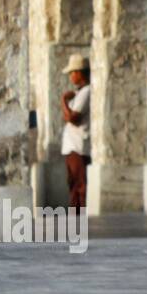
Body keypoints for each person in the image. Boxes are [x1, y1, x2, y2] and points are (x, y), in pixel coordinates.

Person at [59, 54, 91, 210]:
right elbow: (67, 116)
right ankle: (75, 217)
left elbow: (72, 118)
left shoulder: (86, 92)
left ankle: (80, 216)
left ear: (80, 72)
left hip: (78, 146)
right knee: (74, 184)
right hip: (72, 146)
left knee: (79, 184)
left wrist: (64, 100)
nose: (71, 76)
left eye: (72, 73)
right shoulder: (80, 93)